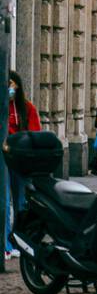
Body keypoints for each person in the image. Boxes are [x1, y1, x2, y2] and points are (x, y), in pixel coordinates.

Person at [5, 70, 41, 259]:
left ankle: (20, 239)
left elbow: (35, 133)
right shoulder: (4, 108)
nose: (10, 88)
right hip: (5, 161)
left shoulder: (27, 108)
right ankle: (6, 243)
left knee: (21, 203)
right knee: (5, 202)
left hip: (21, 162)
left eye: (12, 84)